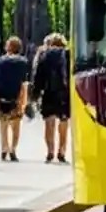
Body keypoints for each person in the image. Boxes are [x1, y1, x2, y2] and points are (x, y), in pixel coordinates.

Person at [0, 37, 29, 162]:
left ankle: (4, 148)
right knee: (16, 125)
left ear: (7, 47)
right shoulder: (23, 62)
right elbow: (26, 81)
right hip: (17, 96)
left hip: (2, 96)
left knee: (3, 124)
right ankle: (13, 149)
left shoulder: (0, 62)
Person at [33, 33, 71, 163]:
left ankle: (50, 150)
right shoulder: (68, 55)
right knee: (63, 122)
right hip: (64, 93)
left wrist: (35, 93)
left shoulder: (44, 55)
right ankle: (62, 151)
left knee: (49, 123)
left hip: (48, 92)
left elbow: (38, 76)